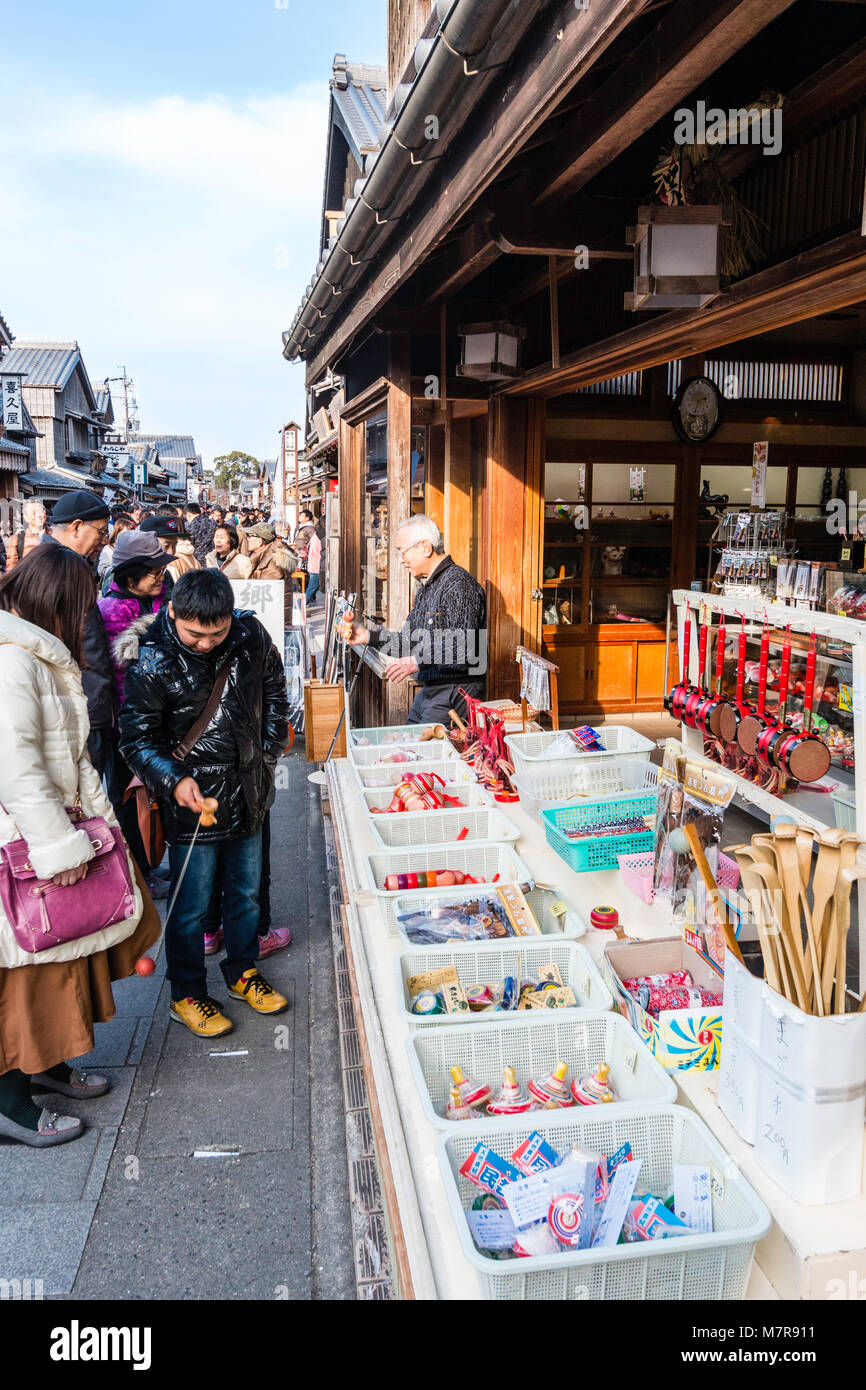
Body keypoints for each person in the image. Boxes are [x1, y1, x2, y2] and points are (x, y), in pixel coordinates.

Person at [0, 547, 159, 1147]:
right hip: (22, 843)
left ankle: (43, 1066)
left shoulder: (32, 654)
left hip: (44, 830)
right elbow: (17, 771)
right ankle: (11, 1101)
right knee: (24, 972)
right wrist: (59, 850)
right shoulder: (15, 663)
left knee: (53, 963)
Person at [119, 570, 290, 1036]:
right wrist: (173, 780)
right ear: (172, 612)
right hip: (193, 802)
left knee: (247, 891)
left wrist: (271, 743)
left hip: (250, 787)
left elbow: (275, 686)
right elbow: (135, 740)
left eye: (217, 634)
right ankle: (186, 992)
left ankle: (242, 971)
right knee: (190, 904)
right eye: (195, 634)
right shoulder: (152, 661)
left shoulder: (249, 633)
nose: (206, 644)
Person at [343, 514, 487, 725]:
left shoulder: (459, 585)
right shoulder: (426, 588)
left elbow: (463, 647)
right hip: (431, 690)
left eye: (403, 551)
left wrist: (417, 661)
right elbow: (408, 640)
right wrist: (368, 636)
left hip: (456, 692)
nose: (401, 559)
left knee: (427, 754)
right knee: (410, 745)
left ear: (426, 547)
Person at [42, 491, 118, 782]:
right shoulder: (65, 569)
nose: (104, 539)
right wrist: (98, 713)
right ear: (75, 527)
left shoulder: (52, 562)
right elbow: (86, 646)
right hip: (78, 710)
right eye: (100, 530)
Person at [98, 531, 169, 705]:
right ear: (130, 578)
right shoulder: (113, 613)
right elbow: (122, 679)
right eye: (156, 573)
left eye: (162, 570)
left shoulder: (162, 597)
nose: (162, 578)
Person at [243, 523, 296, 626]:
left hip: (272, 620)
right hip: (269, 617)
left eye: (250, 536)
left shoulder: (273, 561)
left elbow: (268, 595)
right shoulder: (262, 555)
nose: (247, 539)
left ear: (260, 541)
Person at [6, 499, 47, 571]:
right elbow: (11, 567)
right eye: (33, 513)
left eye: (40, 511)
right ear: (26, 517)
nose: (38, 515)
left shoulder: (56, 534)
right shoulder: (18, 538)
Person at [98, 514, 134, 588]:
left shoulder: (133, 549)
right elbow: (101, 569)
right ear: (117, 533)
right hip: (111, 588)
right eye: (125, 533)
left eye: (131, 534)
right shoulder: (108, 549)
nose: (128, 537)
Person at [184, 502, 216, 566]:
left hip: (196, 561)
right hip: (212, 559)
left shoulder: (190, 527)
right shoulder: (212, 523)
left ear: (188, 515)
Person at [306, 518, 322, 606]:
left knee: (314, 587)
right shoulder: (319, 537)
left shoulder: (315, 535)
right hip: (316, 565)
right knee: (312, 587)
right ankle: (302, 604)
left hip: (313, 564)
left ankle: (304, 603)